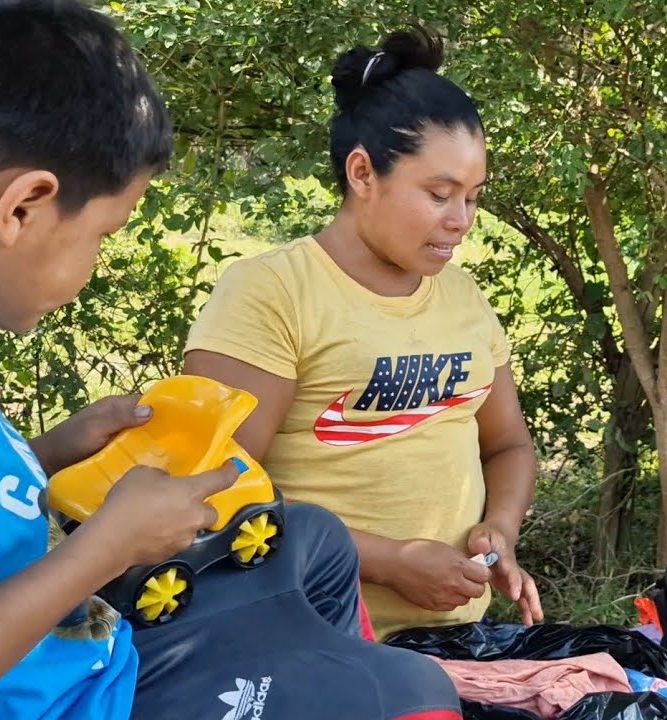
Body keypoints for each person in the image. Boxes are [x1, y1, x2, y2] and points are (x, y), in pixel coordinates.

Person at [0, 3, 460, 718]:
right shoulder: (275, 288)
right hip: (66, 693)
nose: (94, 264)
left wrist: (52, 453)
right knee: (414, 691)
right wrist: (103, 549)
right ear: (23, 207)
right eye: (103, 233)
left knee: (312, 538)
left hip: (78, 648)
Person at [182, 27, 543, 639]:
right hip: (309, 635)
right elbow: (211, 492)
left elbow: (508, 446)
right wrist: (391, 562)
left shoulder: (463, 296)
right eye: (438, 194)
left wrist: (500, 530)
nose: (460, 222)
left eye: (474, 199)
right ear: (361, 173)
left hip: (452, 637)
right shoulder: (272, 294)